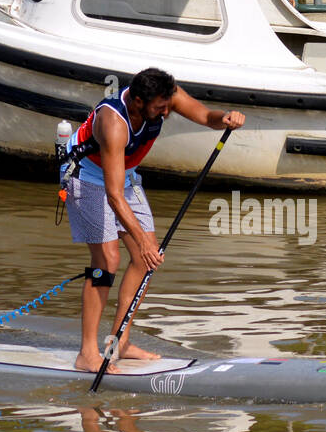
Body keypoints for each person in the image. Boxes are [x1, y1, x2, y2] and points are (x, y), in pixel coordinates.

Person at [60, 67, 245, 372]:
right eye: (159, 108)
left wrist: (225, 118)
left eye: (168, 104)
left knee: (147, 259)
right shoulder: (113, 123)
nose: (167, 111)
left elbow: (203, 116)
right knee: (106, 262)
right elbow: (114, 195)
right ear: (136, 102)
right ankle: (87, 353)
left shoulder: (165, 94)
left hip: (125, 176)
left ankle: (120, 341)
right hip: (86, 178)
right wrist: (142, 239)